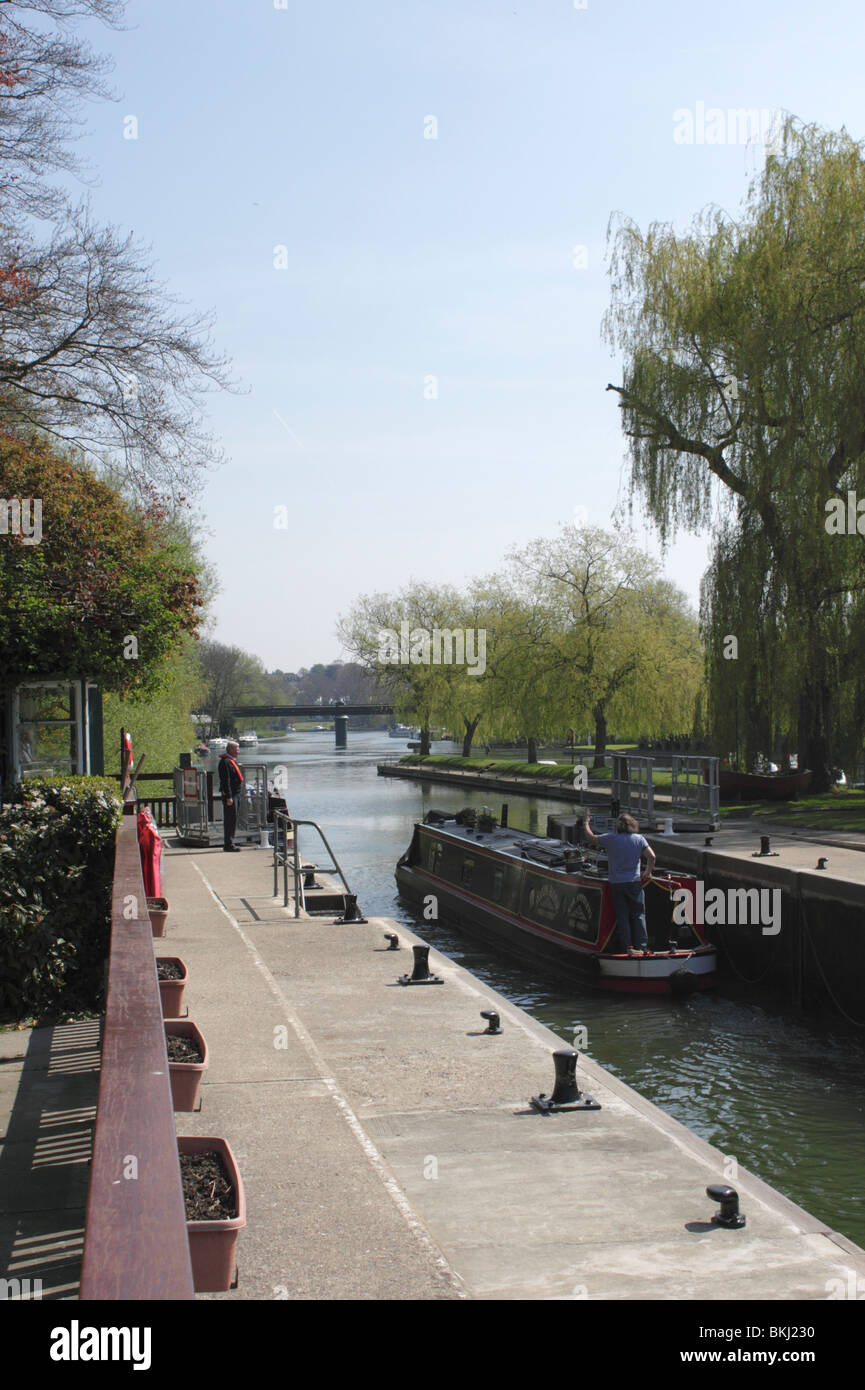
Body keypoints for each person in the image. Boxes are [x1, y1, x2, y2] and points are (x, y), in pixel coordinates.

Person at [583, 810, 656, 957]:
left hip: (617, 884)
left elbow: (591, 838)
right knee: (639, 914)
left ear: (617, 826)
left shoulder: (611, 838)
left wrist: (586, 823)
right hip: (634, 883)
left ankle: (628, 947)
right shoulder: (639, 839)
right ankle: (642, 947)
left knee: (622, 916)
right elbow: (652, 857)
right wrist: (648, 872)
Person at [218, 741, 244, 852]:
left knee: (233, 819)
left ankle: (230, 842)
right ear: (231, 750)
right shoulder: (225, 762)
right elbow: (225, 781)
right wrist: (228, 797)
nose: (238, 751)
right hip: (231, 795)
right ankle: (228, 844)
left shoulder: (231, 761)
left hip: (236, 794)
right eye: (237, 749)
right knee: (229, 819)